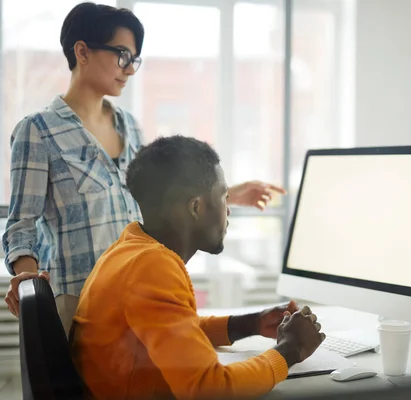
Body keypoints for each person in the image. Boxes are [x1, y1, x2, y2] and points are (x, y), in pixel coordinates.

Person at [2, 2, 285, 335]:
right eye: (122, 55)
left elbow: (161, 198)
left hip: (139, 294)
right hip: (78, 307)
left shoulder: (130, 127)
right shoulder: (38, 130)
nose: (130, 69)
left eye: (134, 59)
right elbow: (22, 224)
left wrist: (227, 195)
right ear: (82, 51)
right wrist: (28, 279)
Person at [70, 136, 324, 399]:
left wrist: (251, 323)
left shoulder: (129, 247)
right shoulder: (151, 267)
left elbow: (174, 331)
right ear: (196, 207)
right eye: (224, 197)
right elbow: (209, 388)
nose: (228, 211)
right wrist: (290, 350)